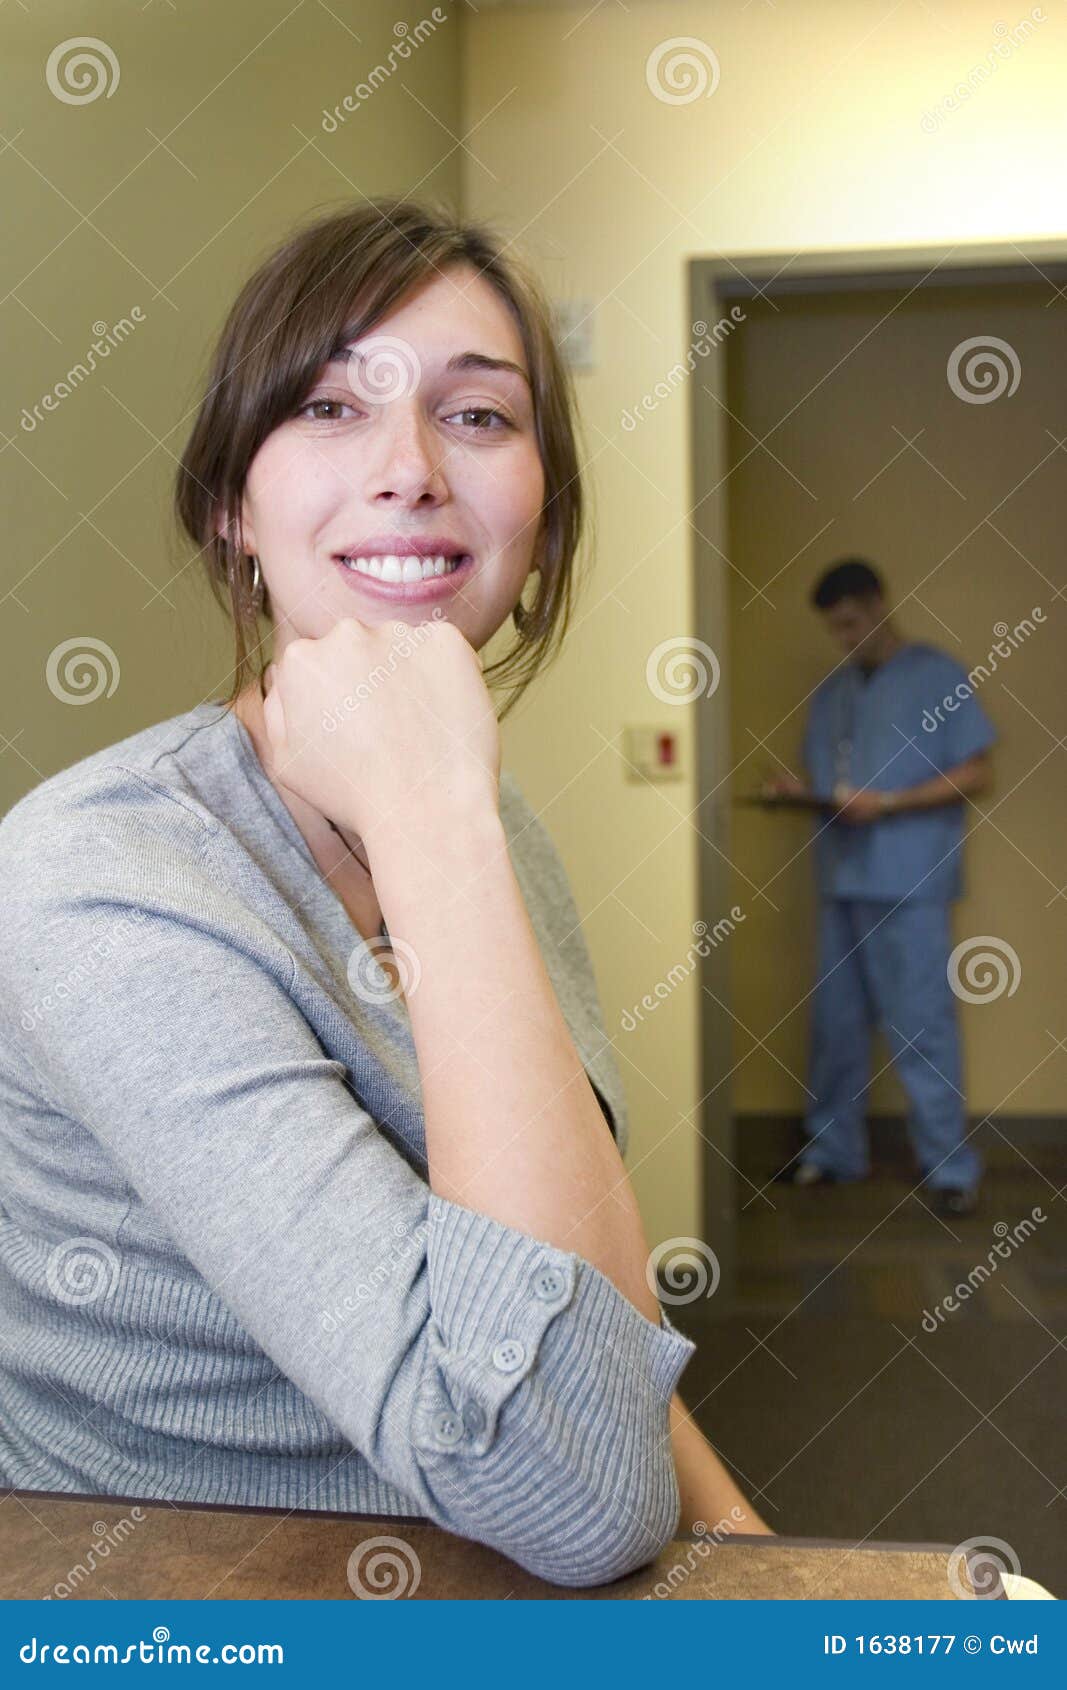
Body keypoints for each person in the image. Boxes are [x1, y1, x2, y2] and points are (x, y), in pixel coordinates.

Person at [0, 198, 771, 1589]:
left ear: (542, 507)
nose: (410, 468)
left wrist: (773, 1568)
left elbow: (582, 1315)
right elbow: (570, 1490)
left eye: (479, 417)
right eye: (328, 407)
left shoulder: (481, 824)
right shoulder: (96, 876)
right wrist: (431, 823)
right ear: (231, 502)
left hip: (484, 1580)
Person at [765, 558, 996, 1219]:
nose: (842, 638)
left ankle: (949, 1168)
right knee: (834, 1028)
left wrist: (889, 804)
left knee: (922, 1026)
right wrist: (799, 794)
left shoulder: (935, 676)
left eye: (849, 623)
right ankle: (832, 1153)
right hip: (842, 881)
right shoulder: (833, 694)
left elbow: (974, 771)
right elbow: (834, 788)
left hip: (910, 881)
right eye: (832, 629)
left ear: (877, 606)